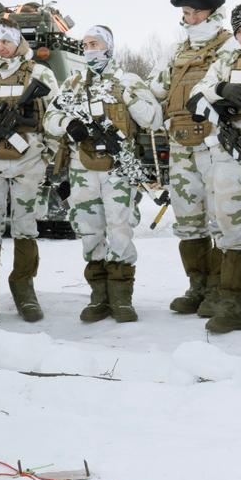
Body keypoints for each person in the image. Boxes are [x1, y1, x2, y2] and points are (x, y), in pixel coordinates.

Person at [44, 26, 162, 322]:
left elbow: (153, 118)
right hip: (82, 168)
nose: (89, 49)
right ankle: (99, 297)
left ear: (108, 46)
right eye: (84, 44)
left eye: (94, 43)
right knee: (88, 228)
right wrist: (69, 123)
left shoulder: (128, 81)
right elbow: (50, 117)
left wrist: (127, 97)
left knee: (120, 228)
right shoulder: (72, 83)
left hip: (119, 169)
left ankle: (121, 297)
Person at [0, 19, 60, 322]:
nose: (1, 45)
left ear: (19, 41)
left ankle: (23, 289)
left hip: (28, 163)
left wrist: (47, 154)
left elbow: (55, 113)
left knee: (25, 225)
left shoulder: (40, 73)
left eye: (7, 40)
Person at [150, 0, 231, 317]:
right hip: (181, 144)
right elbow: (156, 86)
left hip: (217, 146)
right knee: (188, 220)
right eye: (185, 13)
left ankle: (219, 290)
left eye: (195, 12)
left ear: (211, 12)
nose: (190, 18)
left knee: (221, 220)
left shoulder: (230, 45)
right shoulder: (175, 49)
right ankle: (197, 286)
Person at [186, 1, 241, 332]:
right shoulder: (225, 61)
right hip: (229, 155)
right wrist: (221, 89)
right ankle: (233, 307)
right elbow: (195, 97)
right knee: (232, 231)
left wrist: (237, 100)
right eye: (240, 30)